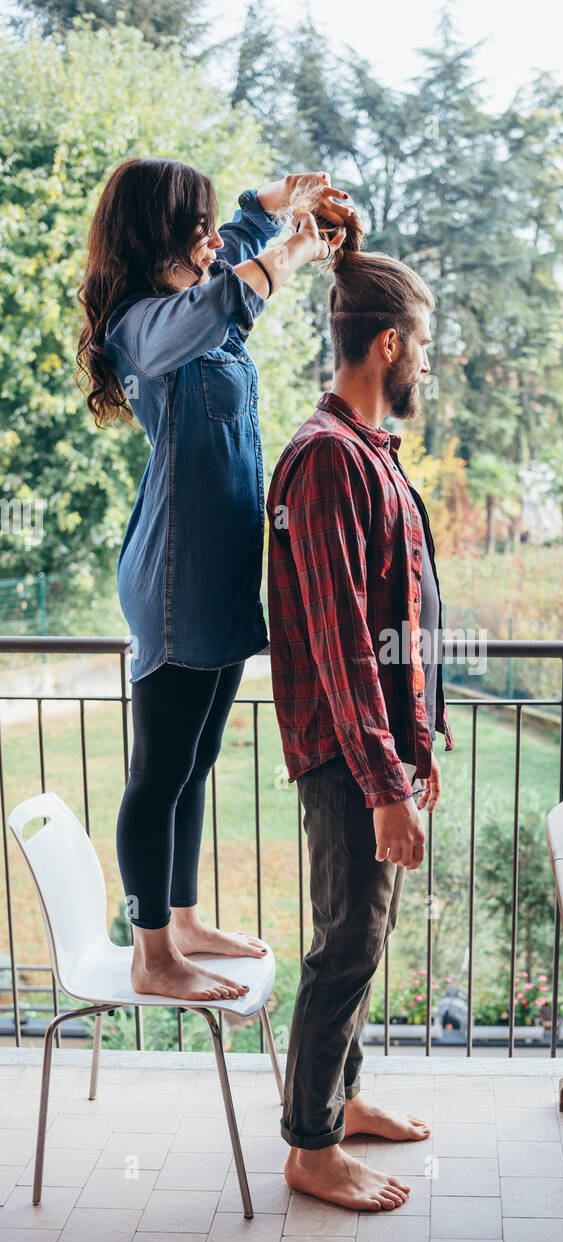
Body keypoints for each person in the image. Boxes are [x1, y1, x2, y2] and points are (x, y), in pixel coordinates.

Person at [77, 158, 348, 1002]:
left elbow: (231, 251)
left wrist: (274, 206)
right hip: (176, 577)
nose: (208, 236)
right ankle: (150, 953)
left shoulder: (195, 297)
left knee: (194, 766)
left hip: (223, 572)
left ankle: (183, 920)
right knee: (157, 772)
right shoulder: (143, 324)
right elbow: (224, 294)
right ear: (159, 229)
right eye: (191, 221)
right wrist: (295, 254)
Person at [267, 208, 454, 1211]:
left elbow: (398, 611)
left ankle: (339, 1101)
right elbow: (343, 644)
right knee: (344, 942)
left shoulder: (361, 447)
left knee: (363, 936)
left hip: (372, 749)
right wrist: (384, 781)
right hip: (343, 755)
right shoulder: (328, 458)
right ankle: (309, 1147)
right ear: (388, 343)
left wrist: (416, 744)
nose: (424, 359)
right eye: (421, 342)